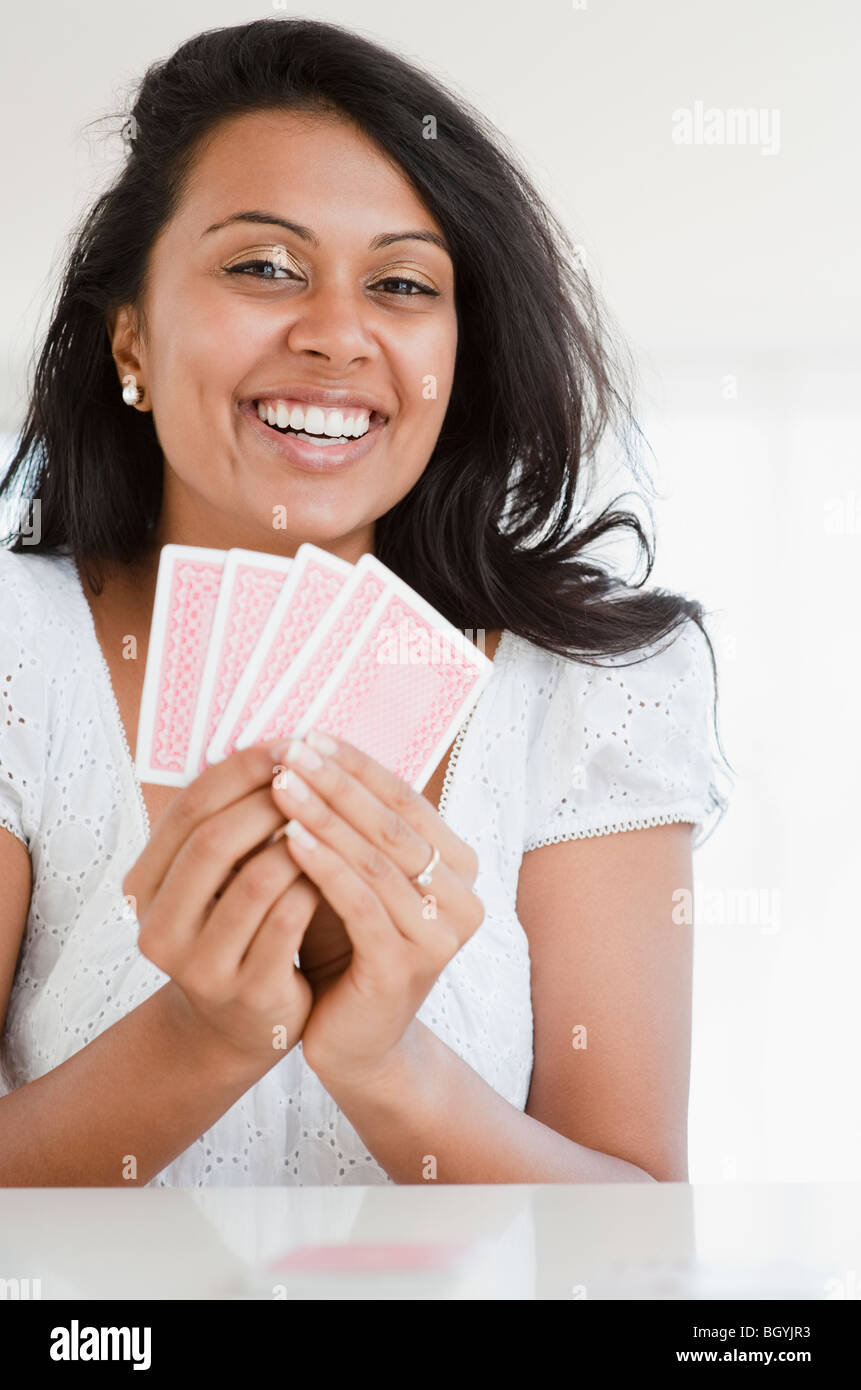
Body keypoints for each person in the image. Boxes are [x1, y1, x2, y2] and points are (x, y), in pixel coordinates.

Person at [0, 18, 731, 1186]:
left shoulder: (597, 686)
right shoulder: (14, 650)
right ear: (129, 333)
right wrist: (202, 1039)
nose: (337, 333)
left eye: (400, 283)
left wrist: (391, 1065)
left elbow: (637, 1225)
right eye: (262, 266)